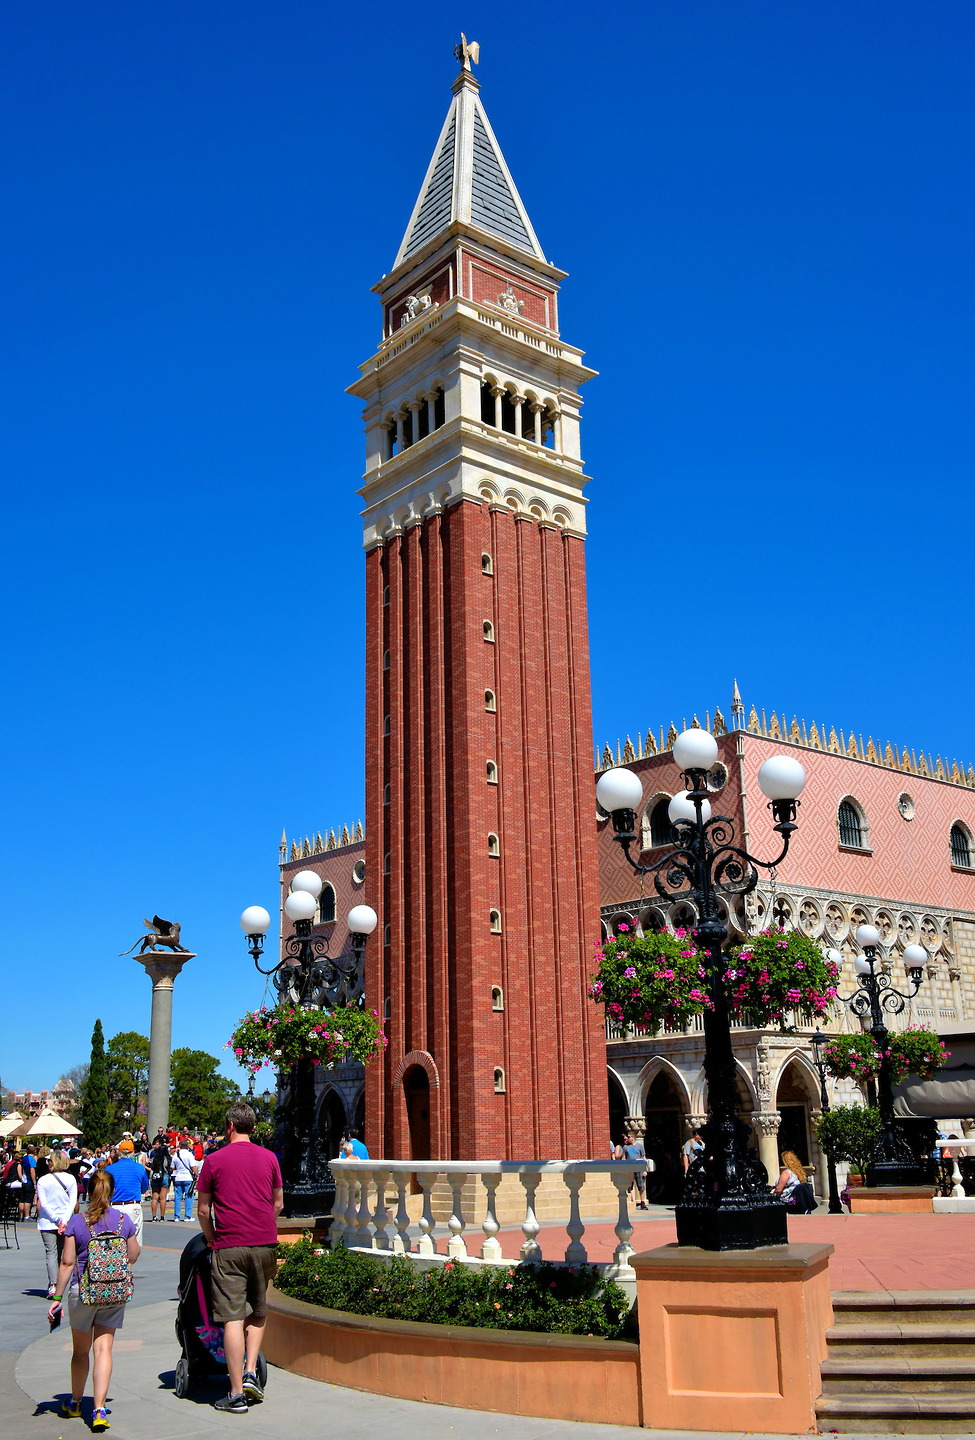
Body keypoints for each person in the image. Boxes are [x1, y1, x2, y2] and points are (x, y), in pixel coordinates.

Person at [196, 1101, 283, 1413]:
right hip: (264, 1242)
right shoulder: (269, 1158)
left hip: (229, 1244)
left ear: (229, 1126)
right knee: (258, 1311)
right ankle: (250, 1372)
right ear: (253, 1127)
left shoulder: (214, 1161)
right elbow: (278, 1204)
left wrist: (211, 1238)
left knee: (232, 1317)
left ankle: (235, 1394)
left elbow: (204, 1210)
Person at [47, 1167, 140, 1431]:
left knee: (80, 1351)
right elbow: (133, 1255)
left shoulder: (78, 1222)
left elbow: (67, 1262)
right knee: (104, 1350)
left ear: (88, 1192)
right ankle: (99, 1409)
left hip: (84, 1292)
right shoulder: (123, 1220)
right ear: (112, 1192)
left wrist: (56, 1296)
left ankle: (76, 1402)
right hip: (113, 1291)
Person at [35, 1151, 78, 1297]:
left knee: (51, 1253)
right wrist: (64, 1220)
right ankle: (65, 1283)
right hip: (66, 1222)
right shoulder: (71, 1179)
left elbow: (43, 1203)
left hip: (48, 1222)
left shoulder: (43, 1180)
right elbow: (73, 1201)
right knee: (65, 1253)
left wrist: (56, 1219)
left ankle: (53, 1284)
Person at [105, 1145, 149, 1245]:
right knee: (134, 1241)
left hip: (114, 1206)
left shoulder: (109, 1169)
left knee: (115, 1240)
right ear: (133, 1153)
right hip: (133, 1205)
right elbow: (144, 1188)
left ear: (119, 1153)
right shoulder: (140, 1168)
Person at [171, 1139, 199, 1222]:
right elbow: (193, 1166)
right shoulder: (189, 1155)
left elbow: (172, 1167)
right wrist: (197, 1174)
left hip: (178, 1177)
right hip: (187, 1177)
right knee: (189, 1197)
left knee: (178, 1197)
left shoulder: (176, 1155)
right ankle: (187, 1216)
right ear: (187, 1146)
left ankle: (177, 1216)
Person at [622, 1131, 649, 1209]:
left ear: (633, 1138)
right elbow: (624, 1158)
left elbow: (643, 1157)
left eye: (629, 1137)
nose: (627, 1139)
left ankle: (642, 1202)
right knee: (630, 1185)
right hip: (629, 1168)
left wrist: (645, 1170)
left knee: (641, 1185)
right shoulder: (625, 1147)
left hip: (639, 1167)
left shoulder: (639, 1146)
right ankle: (633, 1201)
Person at [148, 1138, 172, 1221]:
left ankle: (154, 1216)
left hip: (155, 1175)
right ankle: (162, 1216)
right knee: (163, 1198)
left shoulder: (155, 1158)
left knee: (154, 1197)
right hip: (164, 1176)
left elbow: (152, 1167)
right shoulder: (166, 1159)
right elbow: (169, 1168)